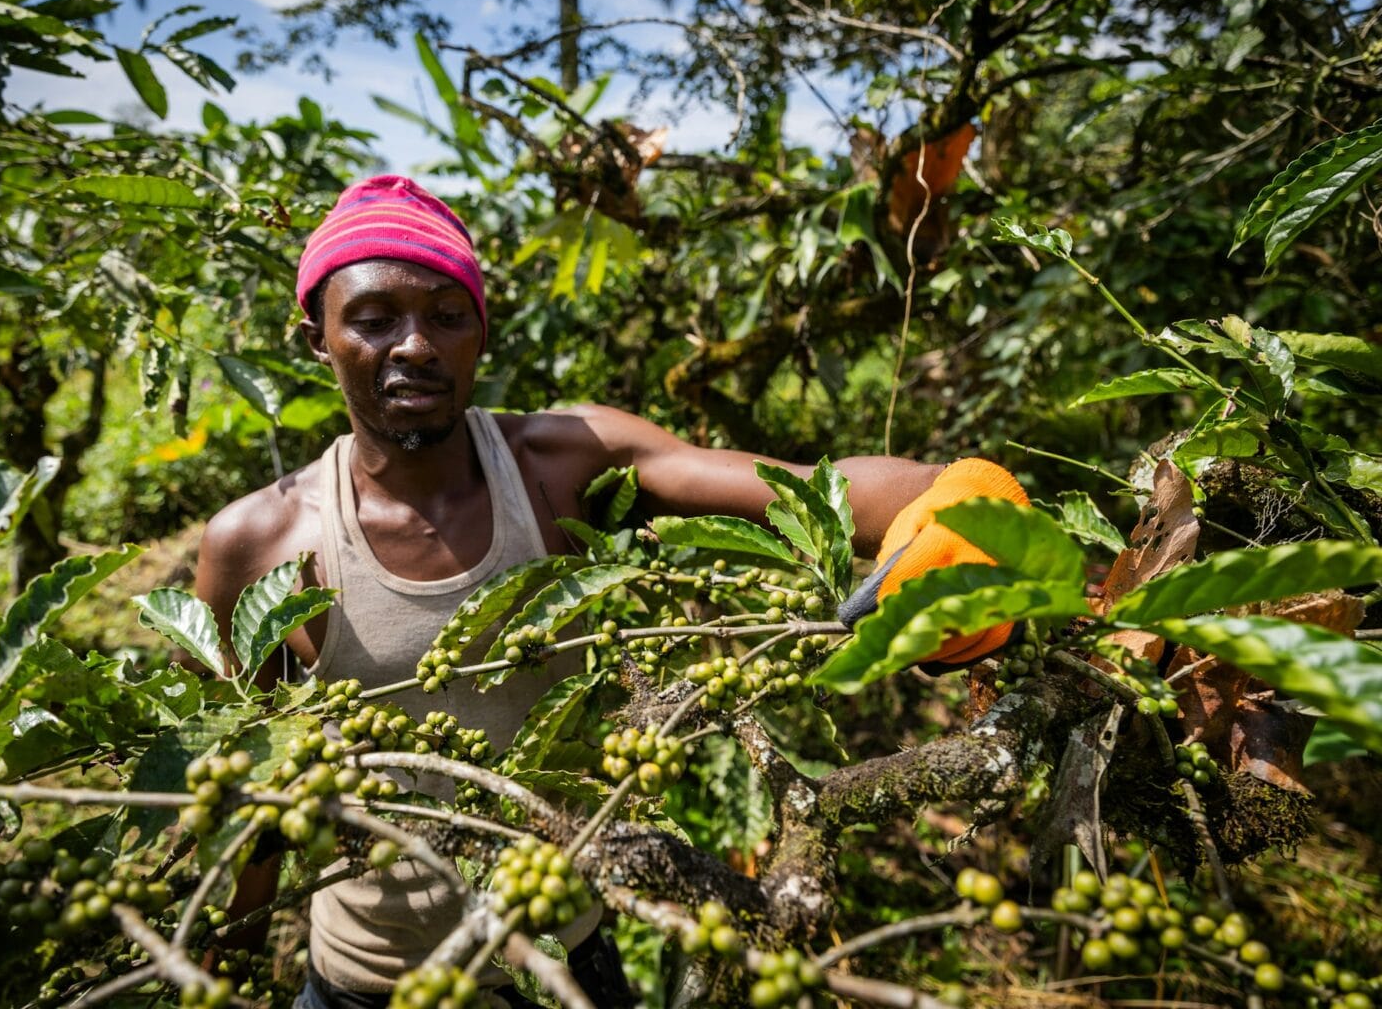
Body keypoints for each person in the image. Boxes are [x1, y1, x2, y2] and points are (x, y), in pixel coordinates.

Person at [194, 175, 1028, 1006]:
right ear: (316, 337)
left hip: (565, 954)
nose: (416, 345)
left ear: (480, 336)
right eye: (375, 319)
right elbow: (253, 776)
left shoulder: (559, 464)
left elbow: (815, 491)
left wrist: (958, 501)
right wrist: (229, 941)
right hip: (368, 980)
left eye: (448, 317)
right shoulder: (258, 545)